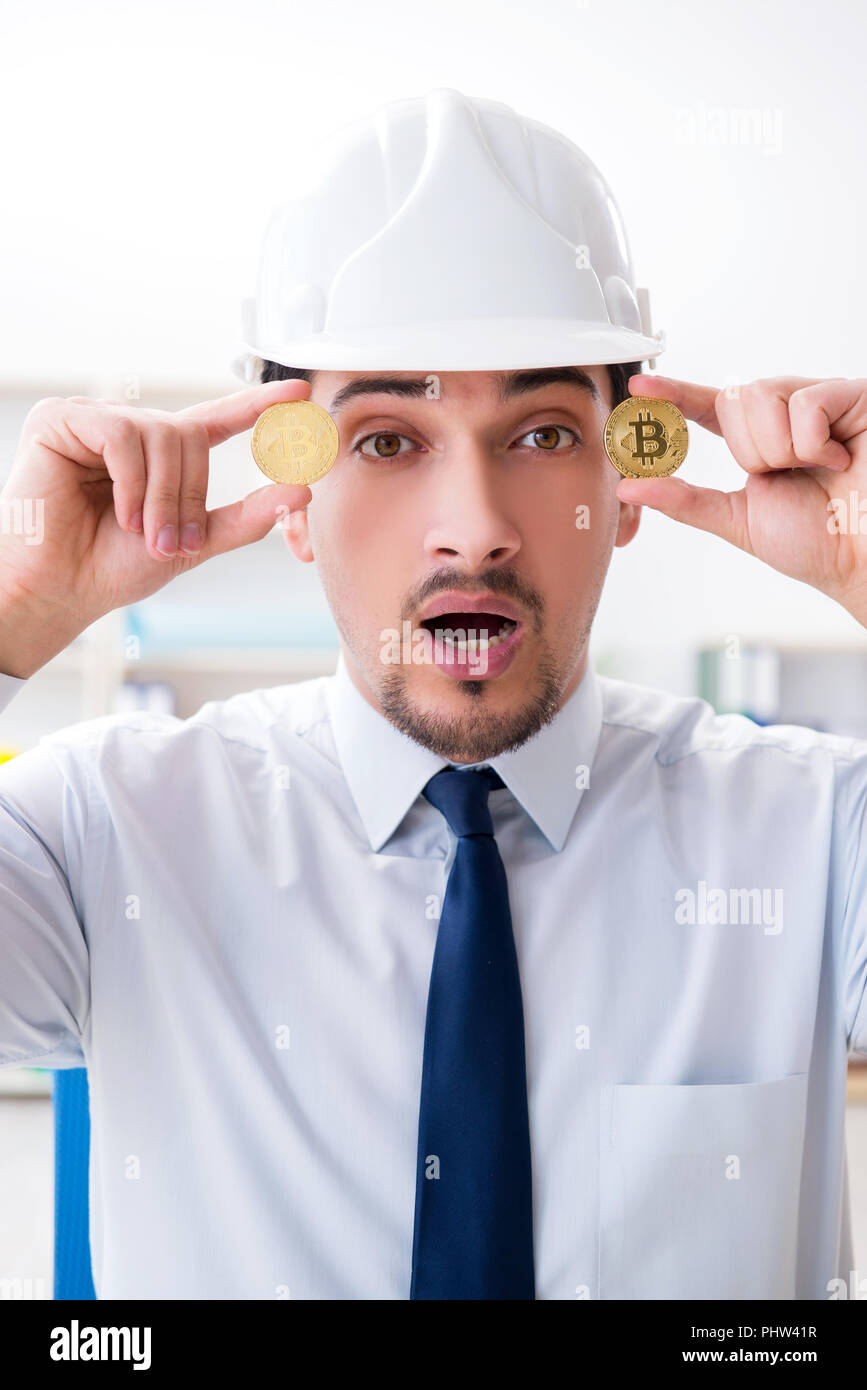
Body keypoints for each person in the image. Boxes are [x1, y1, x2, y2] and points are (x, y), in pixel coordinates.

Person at [0, 87, 864, 1301]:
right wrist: (17, 608)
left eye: (546, 433)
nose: (477, 530)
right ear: (295, 494)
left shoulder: (814, 833)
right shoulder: (102, 833)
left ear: (628, 477)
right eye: (389, 440)